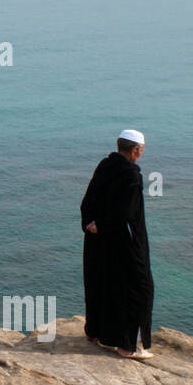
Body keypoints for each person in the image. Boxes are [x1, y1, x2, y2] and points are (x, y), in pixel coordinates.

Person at [79, 128, 154, 359]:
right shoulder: (131, 175)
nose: (140, 155)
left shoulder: (104, 165)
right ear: (134, 150)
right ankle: (127, 345)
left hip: (96, 240)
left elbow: (87, 200)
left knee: (99, 283)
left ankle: (94, 333)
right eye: (140, 151)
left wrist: (91, 225)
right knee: (139, 289)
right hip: (122, 242)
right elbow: (125, 212)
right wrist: (103, 225)